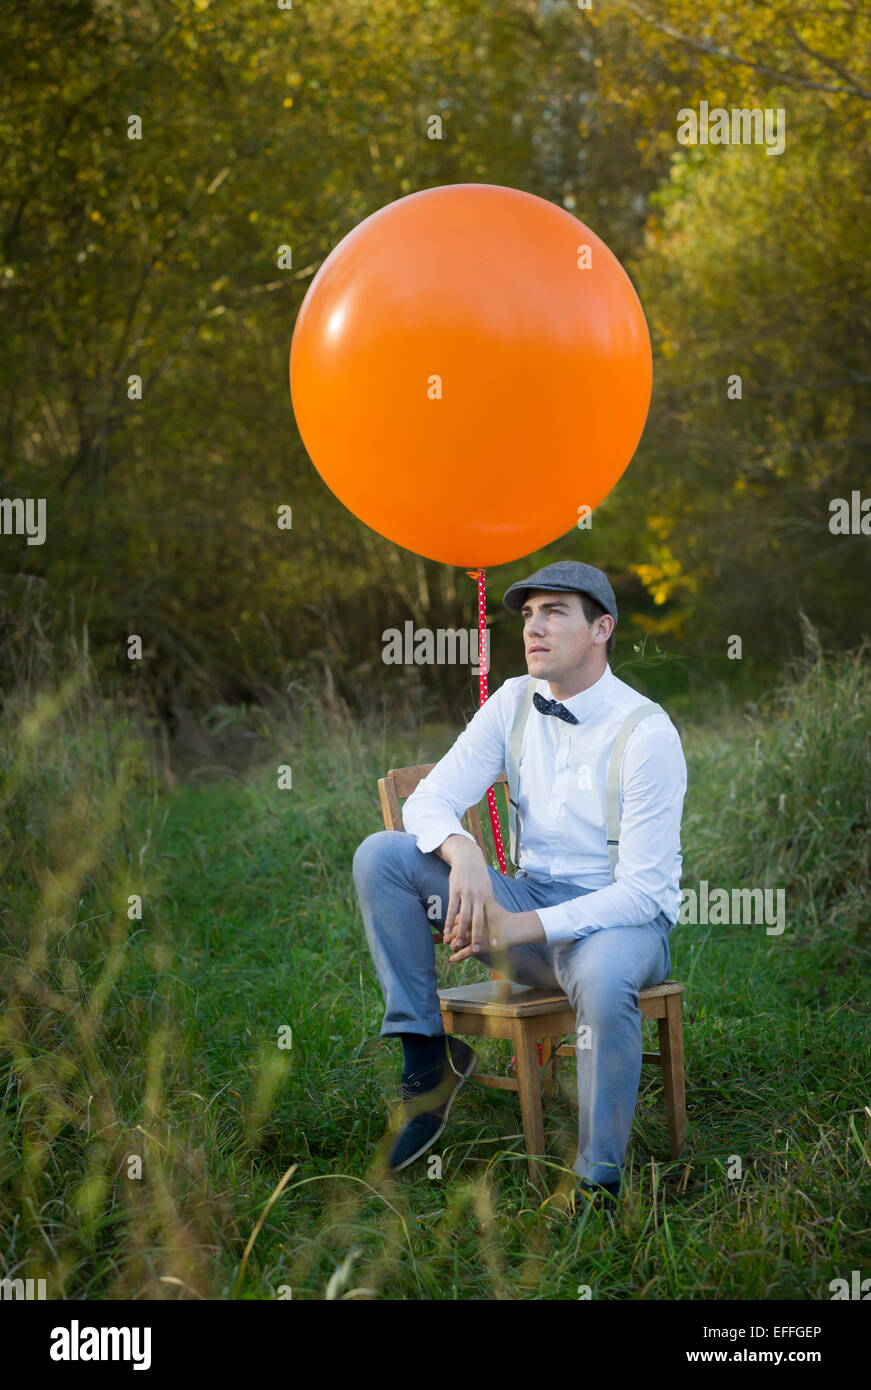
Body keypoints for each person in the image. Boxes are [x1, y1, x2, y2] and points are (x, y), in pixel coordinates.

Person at [352, 560, 687, 1213]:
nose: (534, 627)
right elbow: (429, 801)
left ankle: (598, 1178)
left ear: (601, 629)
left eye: (554, 612)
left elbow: (644, 892)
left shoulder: (646, 733)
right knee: (382, 856)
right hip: (527, 902)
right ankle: (428, 1063)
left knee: (603, 976)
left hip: (617, 927)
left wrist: (517, 927)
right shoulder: (511, 701)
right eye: (529, 614)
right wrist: (465, 854)